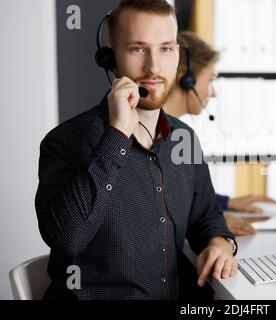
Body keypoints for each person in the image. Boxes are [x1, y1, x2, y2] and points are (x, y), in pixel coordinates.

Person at [35, 0, 238, 300]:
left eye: (166, 48)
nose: (154, 67)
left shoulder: (183, 139)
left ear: (177, 55)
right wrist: (117, 135)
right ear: (111, 59)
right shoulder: (65, 141)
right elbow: (66, 238)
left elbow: (206, 216)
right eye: (138, 49)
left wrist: (221, 243)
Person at [164, 31, 276, 236]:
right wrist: (212, 221)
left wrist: (227, 203)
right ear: (186, 78)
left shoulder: (178, 134)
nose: (213, 92)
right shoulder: (161, 136)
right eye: (211, 80)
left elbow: (184, 194)